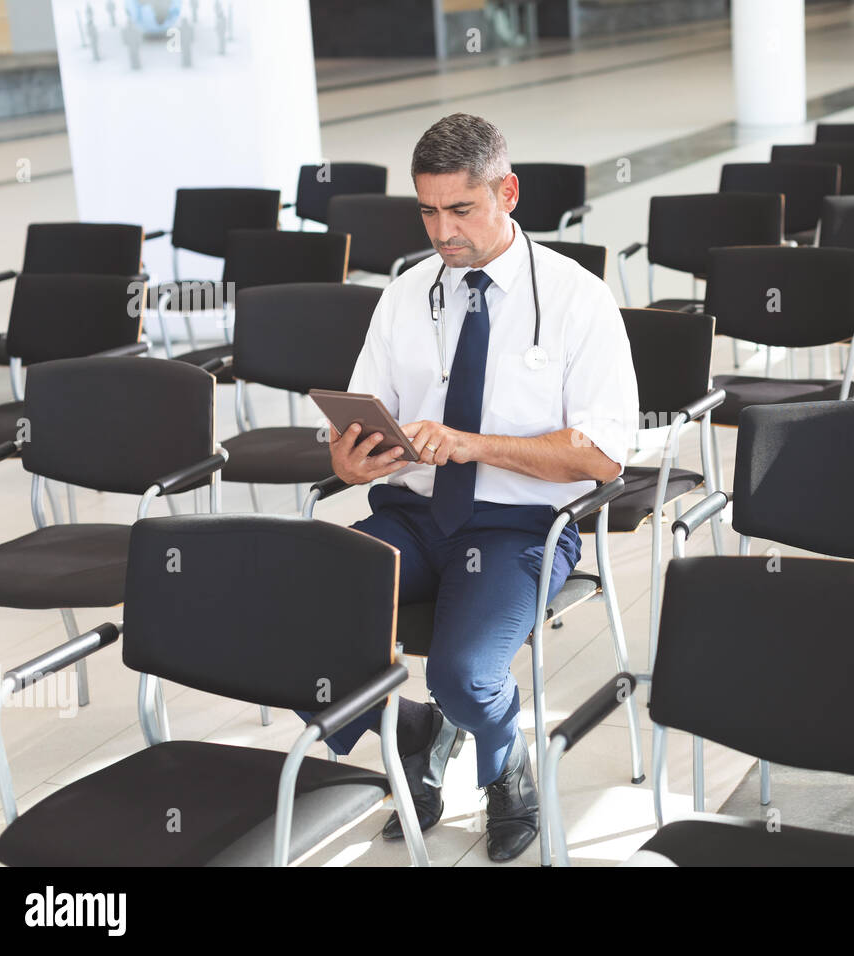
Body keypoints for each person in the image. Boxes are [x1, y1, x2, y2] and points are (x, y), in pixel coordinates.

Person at [322, 113, 638, 862]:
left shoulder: (575, 298)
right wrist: (351, 461)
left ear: (509, 192)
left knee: (463, 674)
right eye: (428, 210)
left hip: (520, 528)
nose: (442, 231)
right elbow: (356, 432)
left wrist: (474, 445)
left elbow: (601, 456)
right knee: (296, 621)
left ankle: (506, 767)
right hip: (412, 514)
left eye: (460, 209)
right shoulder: (404, 295)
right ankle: (416, 734)